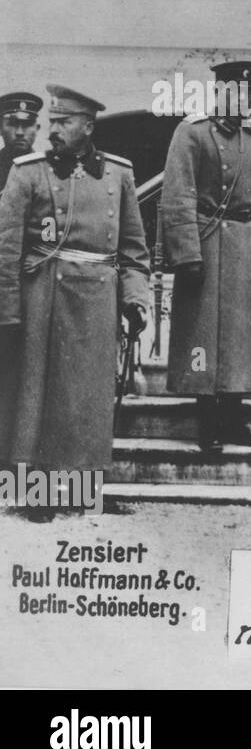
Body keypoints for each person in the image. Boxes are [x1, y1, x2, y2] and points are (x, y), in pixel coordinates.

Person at [0, 86, 150, 521]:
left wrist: (136, 300)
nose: (53, 131)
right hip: (45, 296)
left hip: (99, 299)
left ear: (88, 126)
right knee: (40, 398)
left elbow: (134, 252)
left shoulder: (119, 175)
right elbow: (7, 249)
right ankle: (36, 493)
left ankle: (85, 489)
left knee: (90, 399)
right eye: (53, 123)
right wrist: (9, 312)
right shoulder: (28, 173)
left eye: (64, 123)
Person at [161, 62, 251, 450]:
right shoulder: (192, 132)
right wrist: (186, 251)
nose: (242, 100)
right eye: (234, 91)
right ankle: (208, 419)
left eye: (249, 92)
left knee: (243, 337)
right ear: (219, 92)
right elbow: (177, 195)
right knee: (203, 335)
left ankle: (234, 417)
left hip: (249, 246)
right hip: (206, 243)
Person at [0, 93, 42, 190]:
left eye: (27, 124)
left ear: (37, 129)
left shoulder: (46, 171)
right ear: (0, 128)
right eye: (13, 124)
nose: (19, 132)